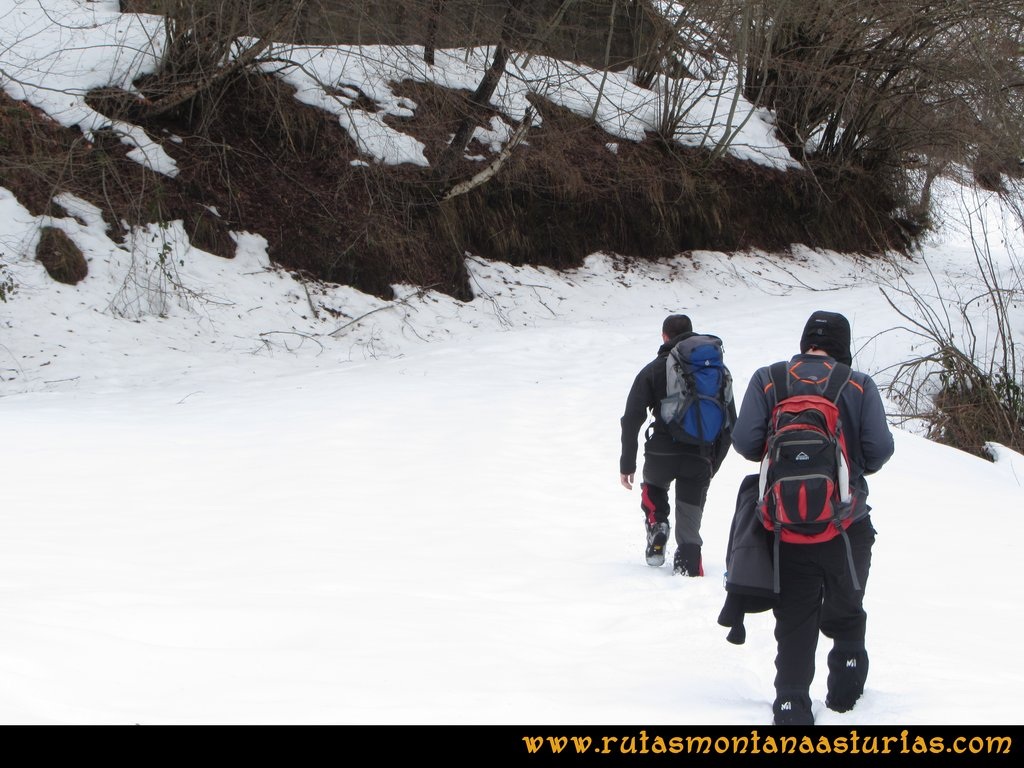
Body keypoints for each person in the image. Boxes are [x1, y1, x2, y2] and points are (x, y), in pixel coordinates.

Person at [730, 310, 894, 725]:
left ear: (806, 343)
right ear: (844, 347)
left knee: (795, 618)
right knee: (847, 608)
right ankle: (847, 702)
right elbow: (879, 451)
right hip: (847, 523)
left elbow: (747, 442)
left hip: (786, 528)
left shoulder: (769, 379)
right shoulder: (858, 384)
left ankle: (790, 704)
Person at [619, 314, 734, 576]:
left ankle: (657, 523)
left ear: (664, 336)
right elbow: (730, 425)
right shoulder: (715, 372)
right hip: (700, 456)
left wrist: (627, 463)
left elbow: (631, 418)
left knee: (654, 487)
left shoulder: (655, 369)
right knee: (690, 525)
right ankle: (689, 564)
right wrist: (711, 464)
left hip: (661, 453)